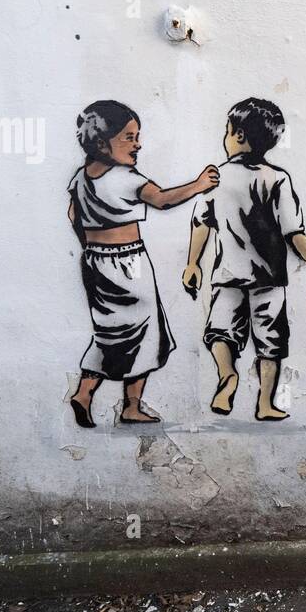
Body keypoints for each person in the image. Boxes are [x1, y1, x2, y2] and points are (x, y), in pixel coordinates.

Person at [182, 97, 306, 421]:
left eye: (227, 131)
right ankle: (266, 403)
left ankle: (227, 374)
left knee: (219, 332)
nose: (224, 138)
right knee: (271, 343)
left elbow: (201, 224)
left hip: (227, 275)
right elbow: (294, 232)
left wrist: (192, 264)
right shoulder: (277, 179)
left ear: (238, 135)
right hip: (269, 277)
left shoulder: (217, 178)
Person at [67, 100, 218, 428]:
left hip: (94, 261)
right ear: (101, 142)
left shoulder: (81, 178)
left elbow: (73, 216)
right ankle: (131, 405)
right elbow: (162, 200)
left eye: (137, 136)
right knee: (145, 332)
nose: (137, 144)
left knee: (109, 332)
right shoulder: (123, 177)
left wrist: (90, 248)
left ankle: (85, 392)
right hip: (128, 263)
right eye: (128, 137)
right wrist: (198, 185)